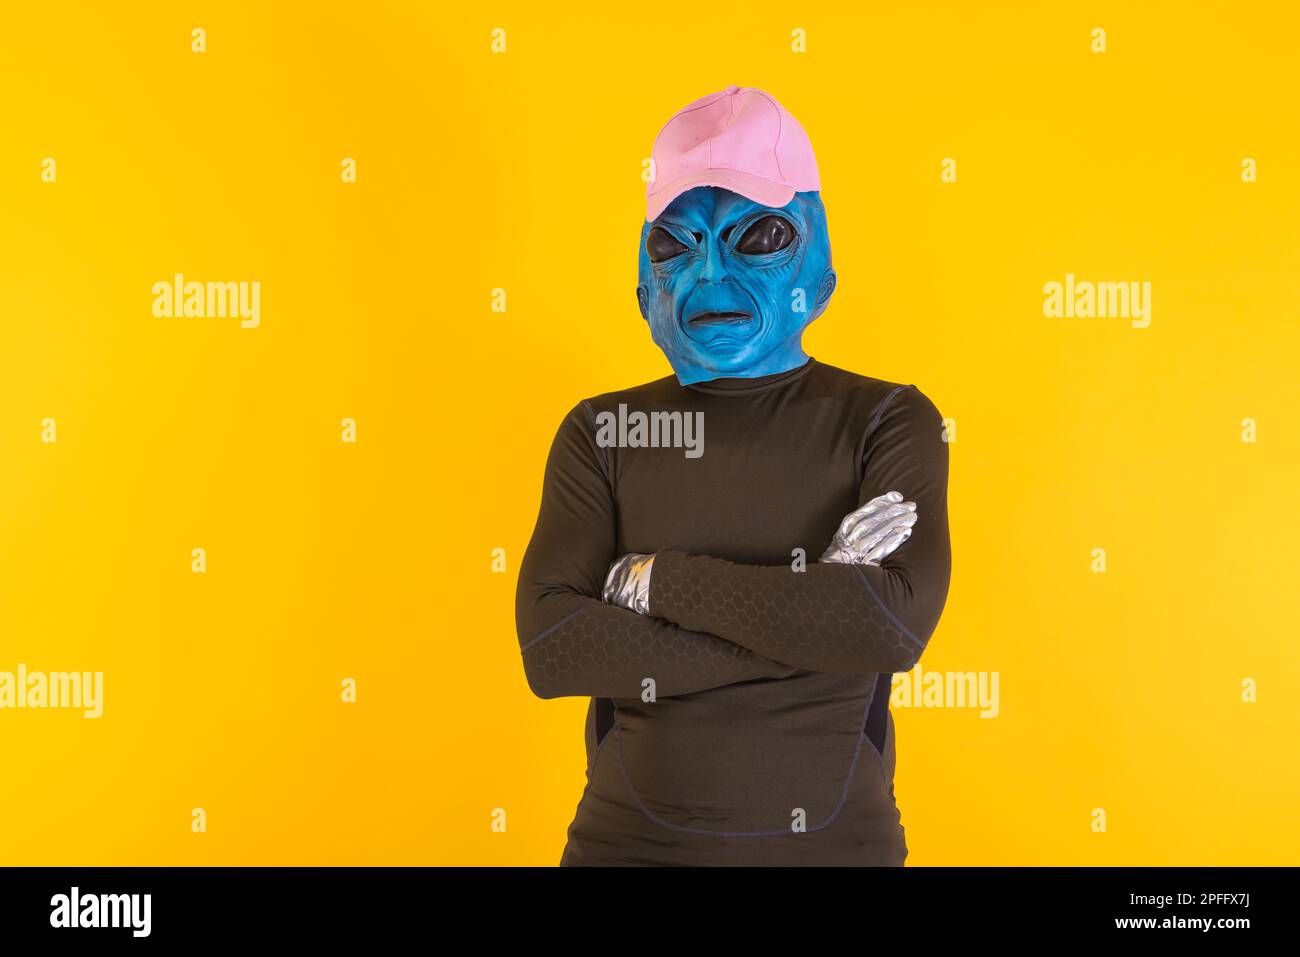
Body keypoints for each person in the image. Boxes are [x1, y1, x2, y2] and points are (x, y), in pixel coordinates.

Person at [515, 86, 952, 865]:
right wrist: (819, 596)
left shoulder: (885, 420)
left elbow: (887, 628)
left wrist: (654, 583)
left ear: (818, 264)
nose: (711, 271)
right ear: (643, 285)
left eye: (759, 236)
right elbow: (555, 650)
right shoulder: (603, 430)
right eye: (675, 244)